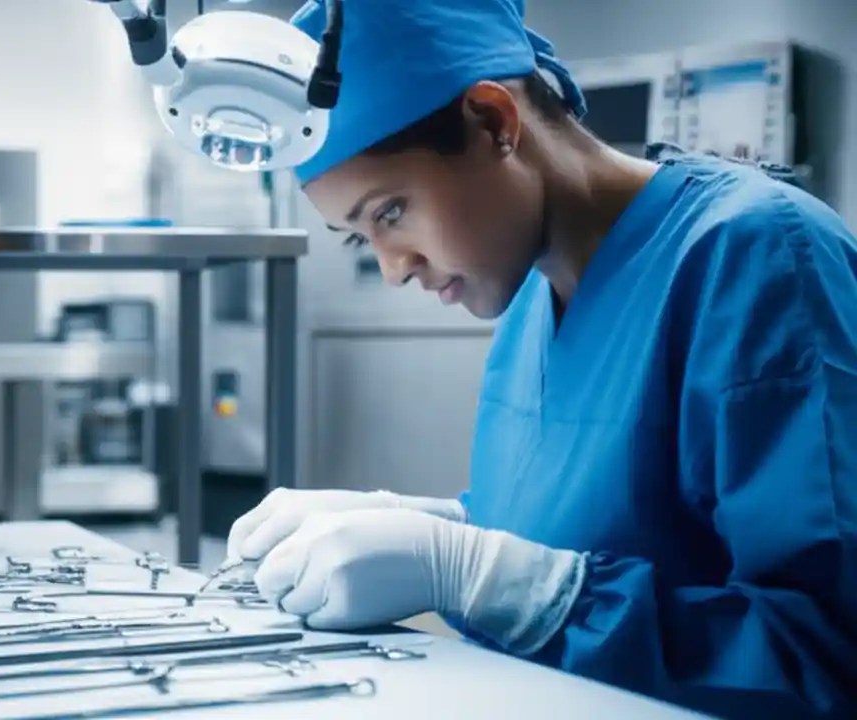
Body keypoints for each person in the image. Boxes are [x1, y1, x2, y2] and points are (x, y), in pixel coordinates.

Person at [223, 1, 857, 718]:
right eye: (357, 236)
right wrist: (422, 525)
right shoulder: (533, 297)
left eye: (390, 212)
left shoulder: (757, 256)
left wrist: (473, 575)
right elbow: (601, 531)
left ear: (495, 122)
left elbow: (823, 658)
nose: (393, 267)